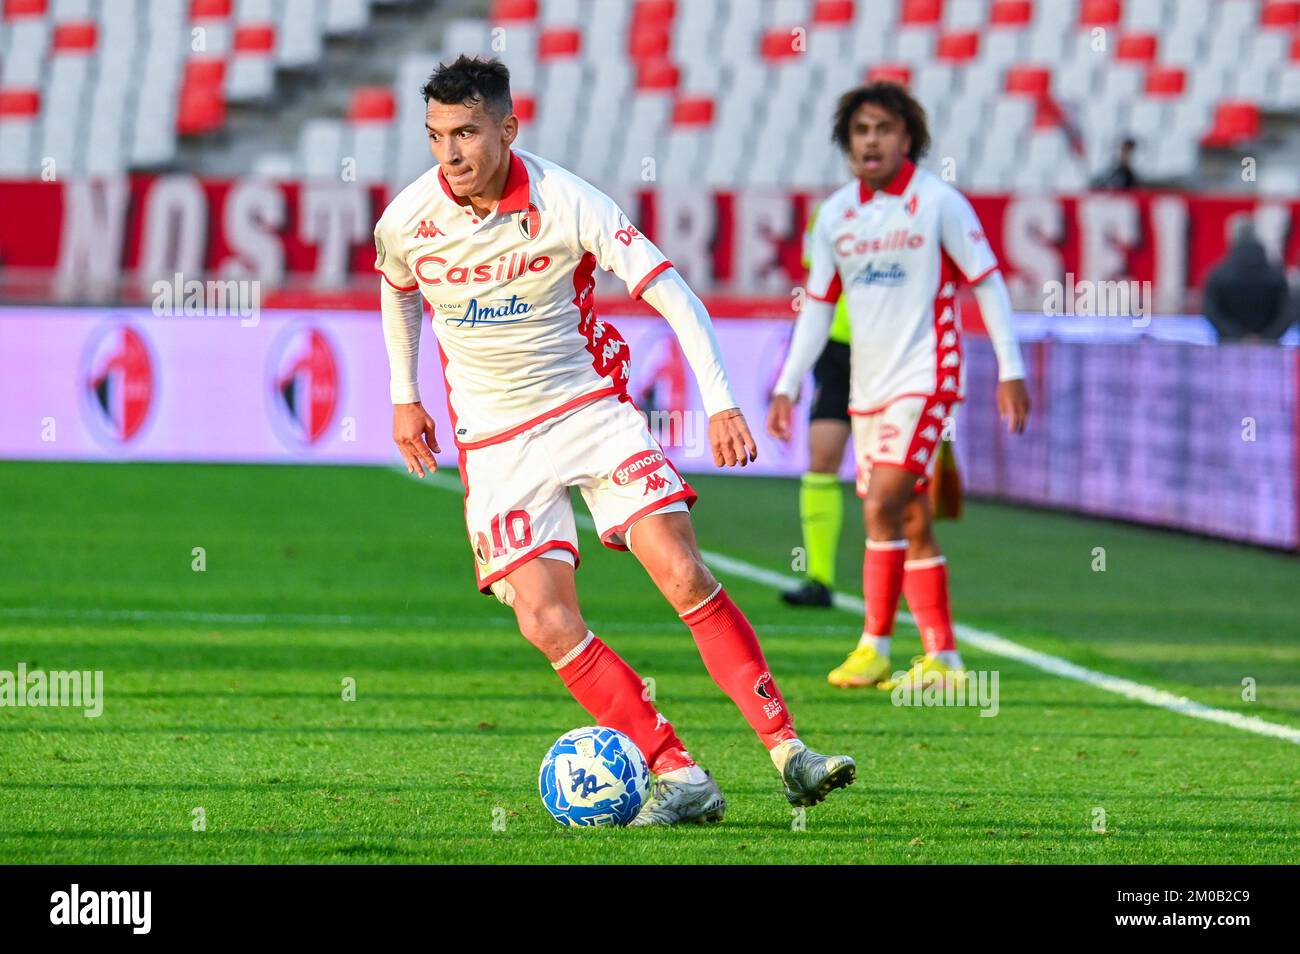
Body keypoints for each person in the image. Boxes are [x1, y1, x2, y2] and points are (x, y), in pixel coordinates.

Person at [374, 55, 855, 825]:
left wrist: (722, 401)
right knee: (544, 619)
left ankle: (788, 751)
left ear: (508, 127)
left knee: (682, 570)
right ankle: (679, 773)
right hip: (495, 442)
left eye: (466, 133)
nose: (451, 155)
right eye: (436, 136)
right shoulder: (406, 219)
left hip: (587, 409)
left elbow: (672, 290)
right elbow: (399, 289)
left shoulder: (569, 201)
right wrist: (405, 397)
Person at [767, 81, 1030, 690]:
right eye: (860, 131)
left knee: (882, 503)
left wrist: (1011, 368)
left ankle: (874, 643)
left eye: (883, 129)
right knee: (908, 515)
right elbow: (817, 307)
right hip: (869, 385)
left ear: (908, 137)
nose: (871, 141)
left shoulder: (940, 203)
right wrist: (787, 384)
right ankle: (945, 659)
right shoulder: (835, 215)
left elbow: (986, 282)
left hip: (925, 376)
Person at [779, 199, 855, 610]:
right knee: (822, 458)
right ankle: (820, 579)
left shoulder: (913, 213)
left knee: (890, 482)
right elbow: (819, 283)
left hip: (891, 354)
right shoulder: (830, 212)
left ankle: (905, 582)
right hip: (835, 349)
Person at [1203, 220, 1293, 342]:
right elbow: (1286, 312)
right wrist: (1267, 337)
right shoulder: (1276, 275)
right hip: (1270, 349)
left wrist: (1236, 335)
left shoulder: (1218, 274)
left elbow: (1211, 311)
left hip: (1229, 345)